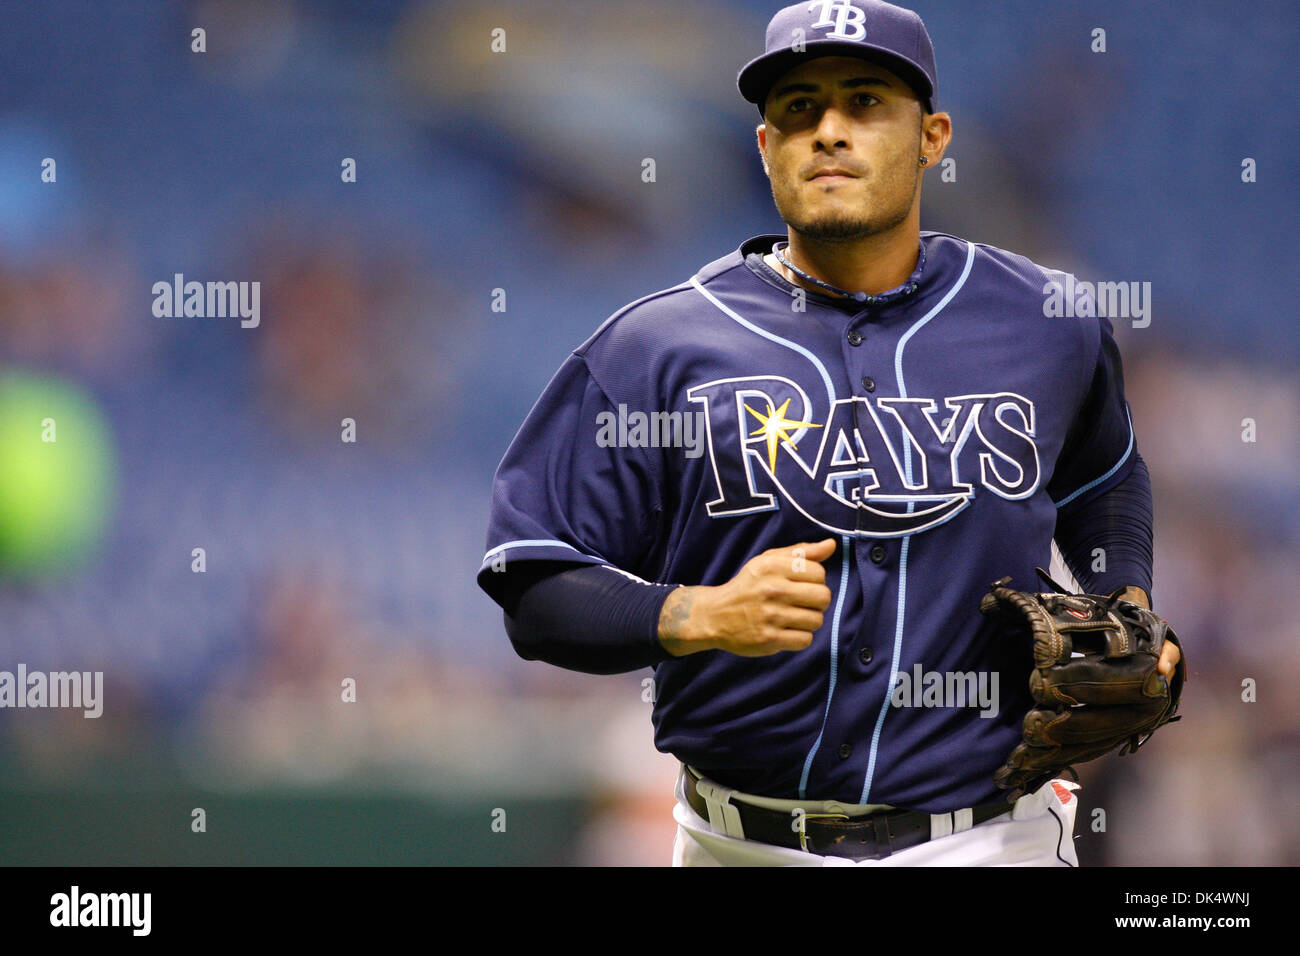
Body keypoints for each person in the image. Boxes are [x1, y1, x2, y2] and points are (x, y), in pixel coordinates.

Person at [477, 0, 1181, 866]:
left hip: (993, 841)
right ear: (767, 148)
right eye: (800, 109)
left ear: (932, 137)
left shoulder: (1047, 320)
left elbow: (1102, 479)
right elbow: (536, 587)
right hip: (741, 845)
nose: (830, 132)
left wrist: (1127, 597)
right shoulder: (652, 351)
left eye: (866, 102)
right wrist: (698, 613)